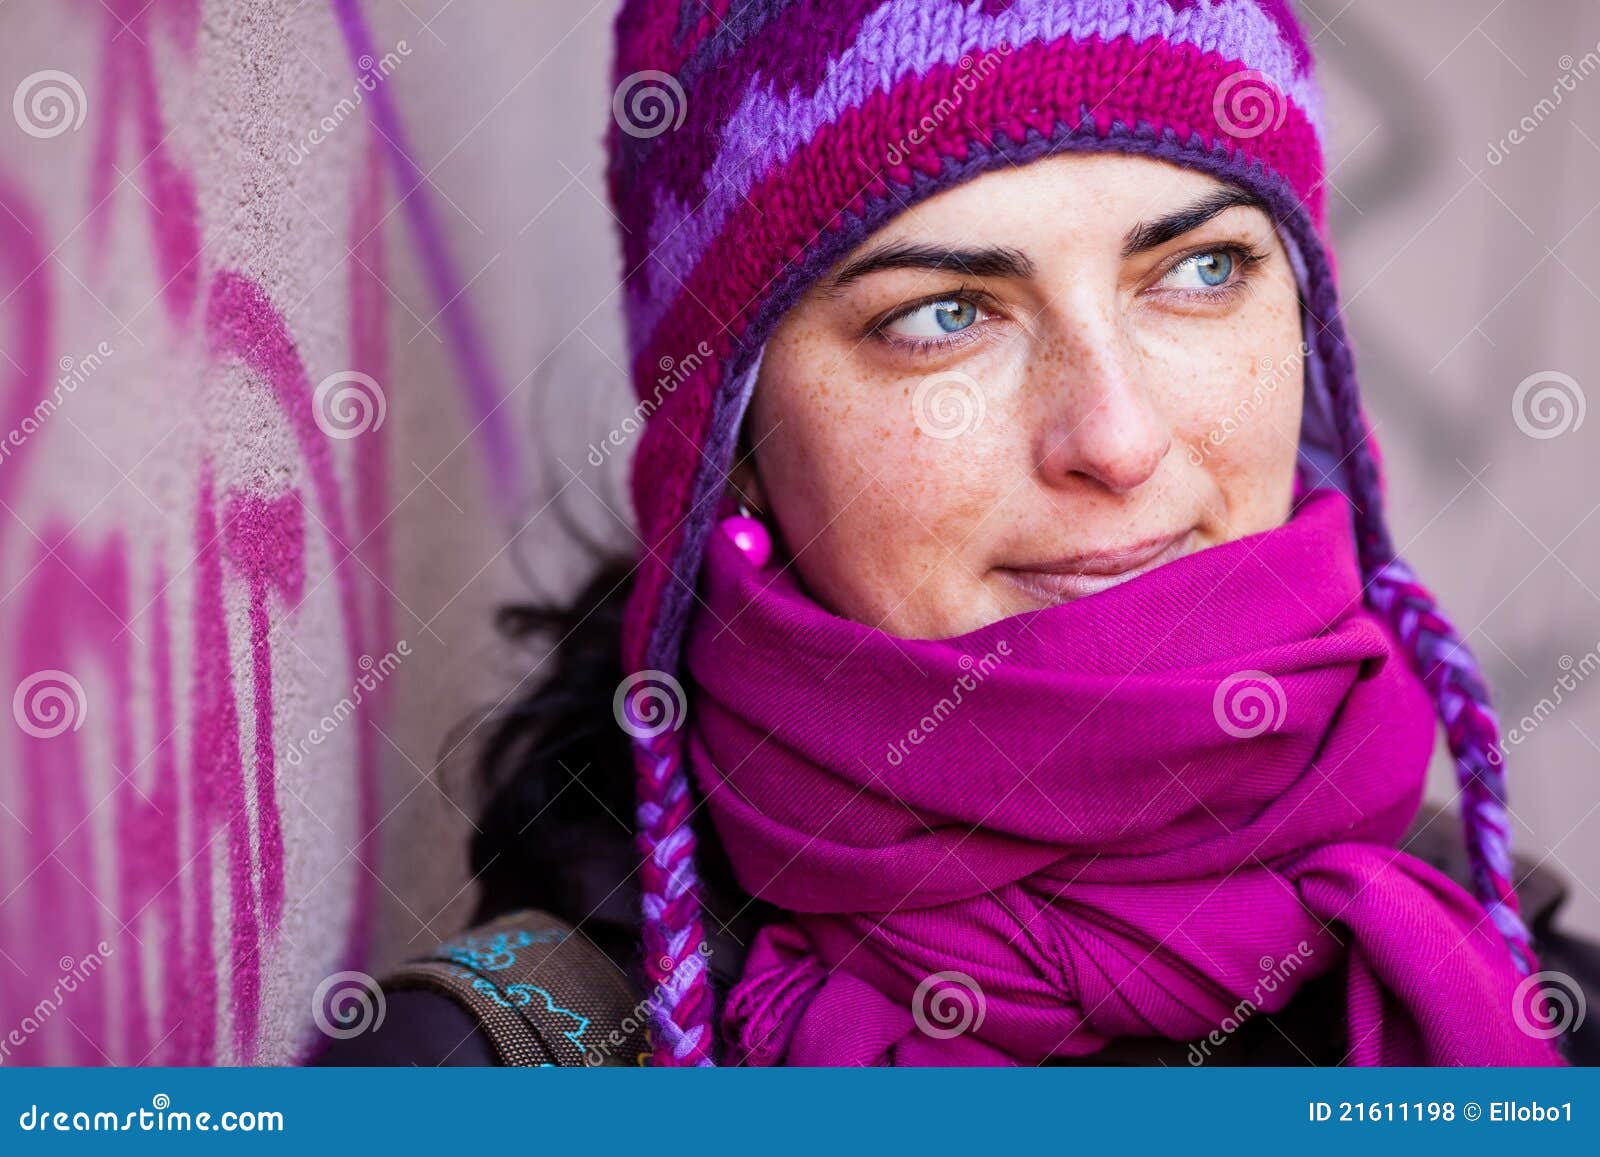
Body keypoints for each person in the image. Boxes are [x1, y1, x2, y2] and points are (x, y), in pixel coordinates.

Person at [314, 0, 1597, 1068]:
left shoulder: (1532, 999)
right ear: (730, 442)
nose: (1116, 438)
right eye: (943, 314)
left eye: (1199, 270)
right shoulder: (474, 1075)